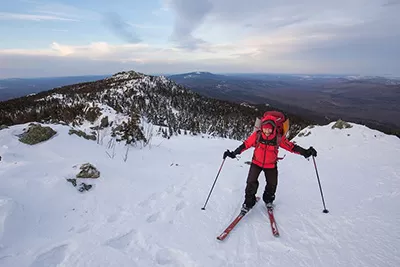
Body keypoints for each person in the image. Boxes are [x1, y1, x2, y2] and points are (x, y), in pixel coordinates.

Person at [223, 112, 317, 213]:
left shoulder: (278, 138)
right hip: (256, 163)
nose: (267, 130)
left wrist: (306, 152)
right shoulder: (257, 136)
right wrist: (233, 153)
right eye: (265, 128)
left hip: (271, 165)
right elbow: (246, 144)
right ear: (262, 127)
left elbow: (291, 147)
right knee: (251, 182)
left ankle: (268, 200)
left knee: (272, 184)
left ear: (273, 128)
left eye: (269, 128)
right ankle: (248, 202)